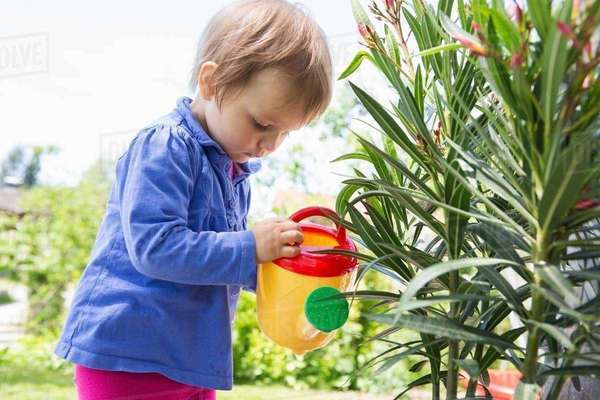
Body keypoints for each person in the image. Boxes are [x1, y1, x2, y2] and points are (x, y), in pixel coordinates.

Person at [53, 0, 333, 398]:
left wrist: (290, 257)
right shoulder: (165, 146)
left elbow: (223, 262)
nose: (270, 145)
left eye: (285, 134)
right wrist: (250, 246)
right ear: (211, 83)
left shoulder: (235, 173)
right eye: (263, 124)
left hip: (190, 359)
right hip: (127, 355)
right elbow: (156, 248)